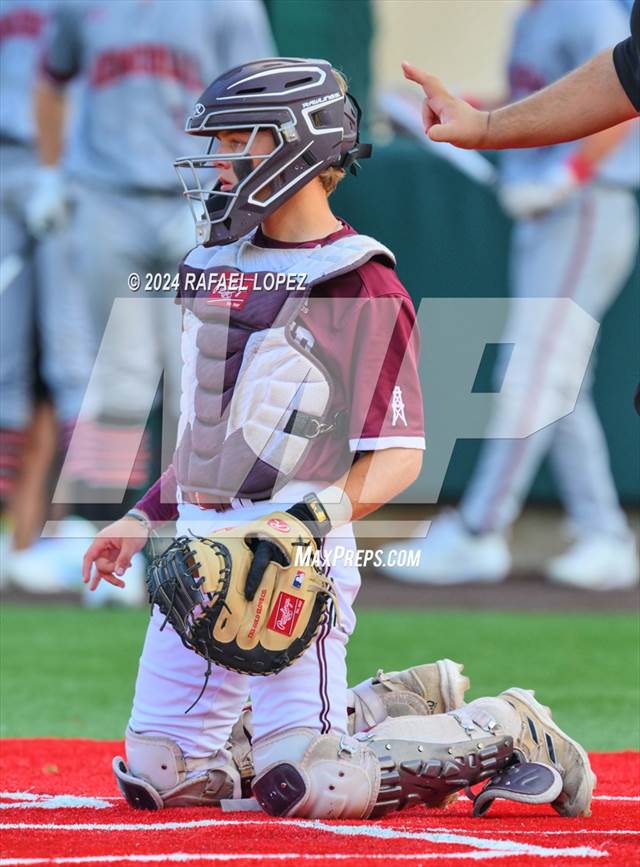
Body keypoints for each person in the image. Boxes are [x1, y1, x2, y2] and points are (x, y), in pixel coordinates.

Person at [82, 59, 594, 820]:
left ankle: (503, 723)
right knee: (159, 775)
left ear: (296, 144)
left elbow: (399, 455)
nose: (219, 162)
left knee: (313, 787)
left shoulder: (359, 281)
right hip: (197, 556)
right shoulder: (210, 266)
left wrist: (305, 524)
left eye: (236, 142)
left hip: (294, 561)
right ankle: (387, 702)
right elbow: (208, 437)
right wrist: (143, 515)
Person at [384, 0, 639, 590]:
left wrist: (569, 174)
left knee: (532, 370)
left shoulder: (588, 10)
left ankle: (480, 529)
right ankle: (604, 532)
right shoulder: (532, 16)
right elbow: (538, 92)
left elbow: (628, 97)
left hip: (586, 203)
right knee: (559, 377)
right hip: (547, 210)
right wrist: (464, 109)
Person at [32, 0, 275, 522]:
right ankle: (103, 527)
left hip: (194, 196)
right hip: (105, 196)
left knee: (197, 373)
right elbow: (50, 78)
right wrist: (50, 173)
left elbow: (263, 108)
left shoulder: (229, 8)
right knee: (118, 377)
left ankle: (188, 523)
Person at [401, 0, 639, 150]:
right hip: (532, 181)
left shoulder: (590, 10)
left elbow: (625, 103)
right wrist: (481, 120)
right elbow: (627, 73)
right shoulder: (526, 17)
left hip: (586, 189)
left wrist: (573, 173)